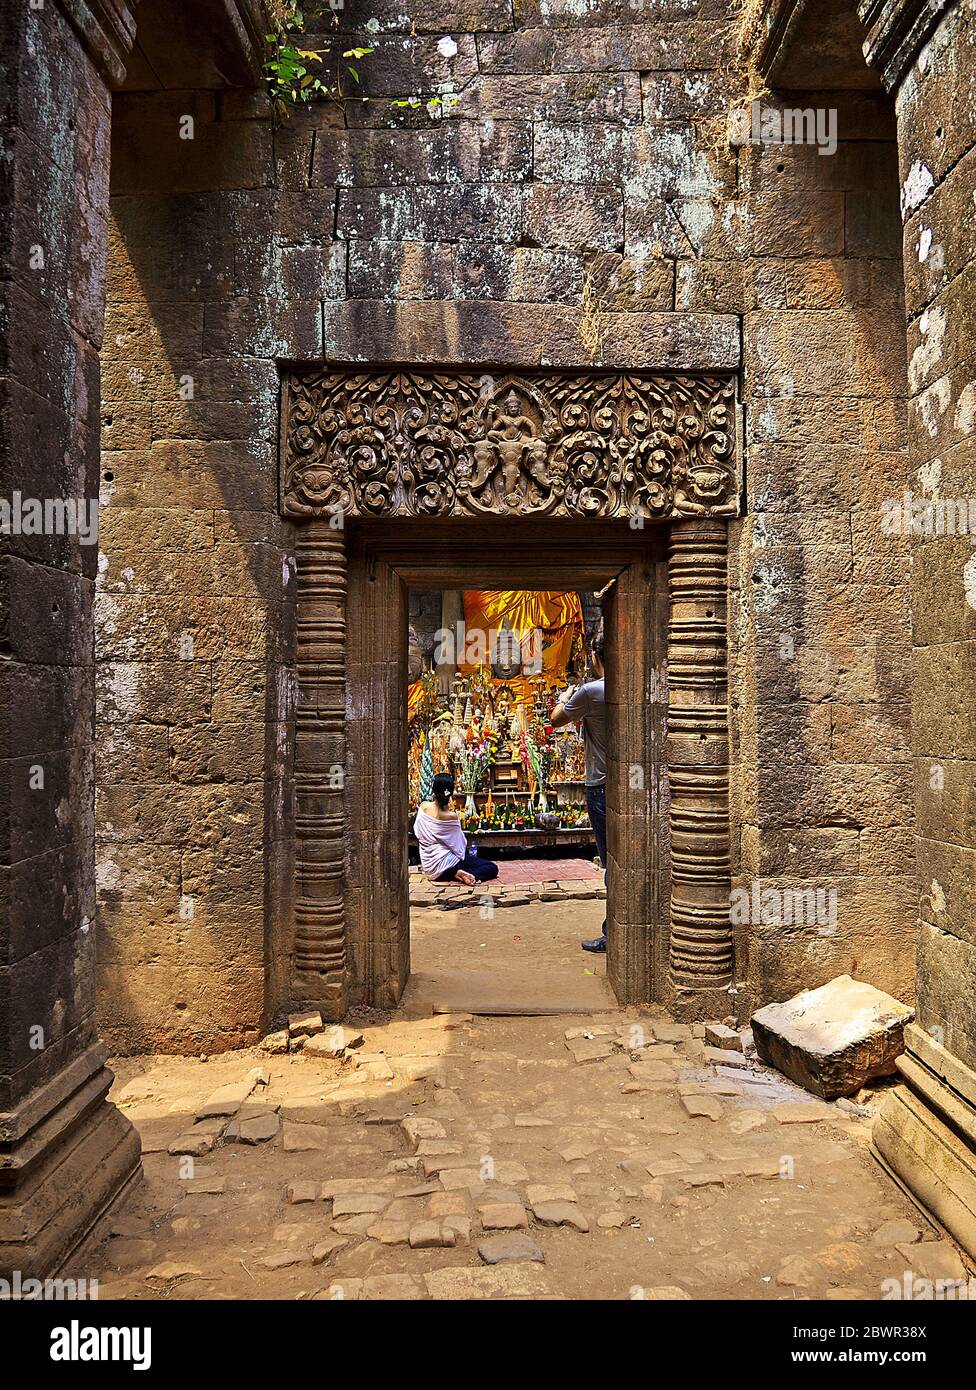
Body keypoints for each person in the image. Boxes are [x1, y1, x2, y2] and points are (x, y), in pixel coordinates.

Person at [551, 637, 607, 953]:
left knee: (611, 861)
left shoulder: (591, 691)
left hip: (599, 785)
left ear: (595, 657)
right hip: (628, 785)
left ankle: (612, 933)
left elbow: (556, 718)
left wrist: (564, 696)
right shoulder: (632, 685)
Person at [414, 773, 499, 886]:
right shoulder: (450, 816)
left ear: (433, 789)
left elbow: (417, 831)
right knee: (492, 868)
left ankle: (455, 873)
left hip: (429, 866)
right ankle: (462, 873)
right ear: (450, 792)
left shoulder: (424, 807)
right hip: (448, 863)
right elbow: (460, 845)